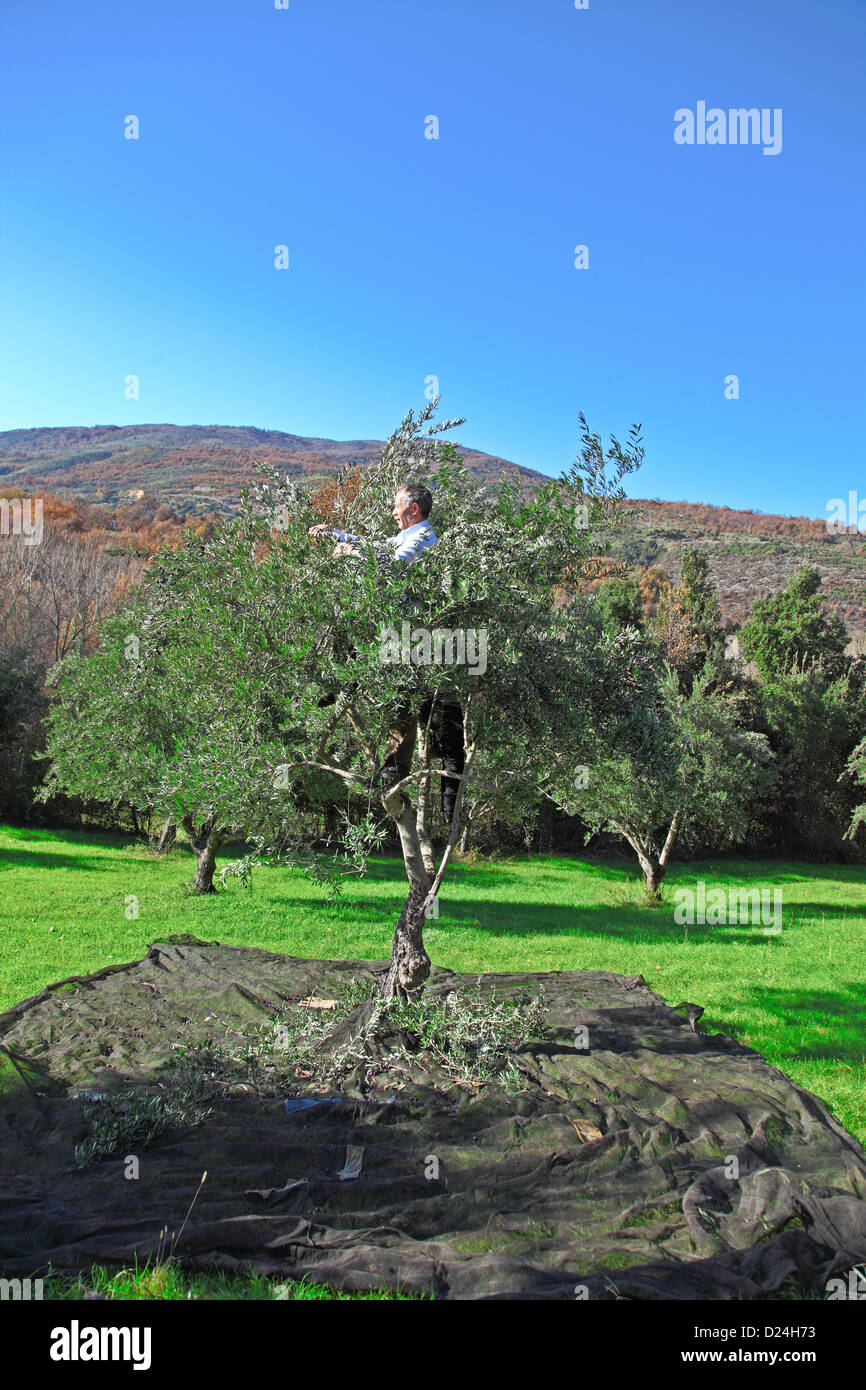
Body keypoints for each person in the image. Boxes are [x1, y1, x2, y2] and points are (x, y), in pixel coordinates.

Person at [308, 484, 465, 823]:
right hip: (399, 631)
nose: (393, 512)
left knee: (408, 703)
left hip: (413, 635)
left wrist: (349, 552)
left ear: (415, 508)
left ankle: (395, 764)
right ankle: (341, 682)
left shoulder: (421, 539)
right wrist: (336, 534)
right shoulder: (406, 535)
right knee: (403, 700)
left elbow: (394, 563)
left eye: (397, 505)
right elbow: (377, 546)